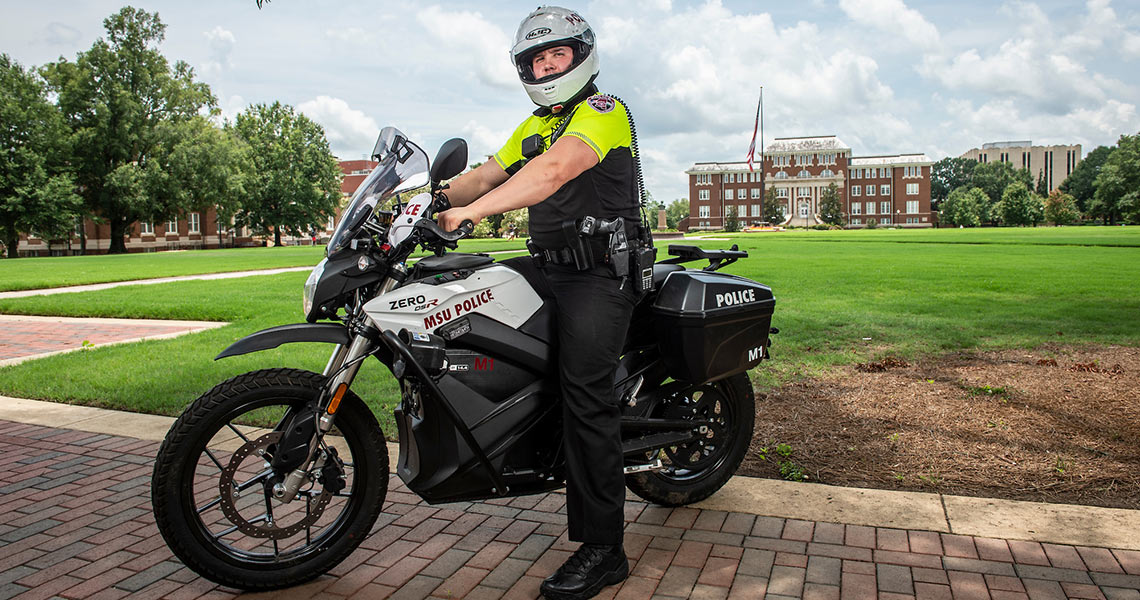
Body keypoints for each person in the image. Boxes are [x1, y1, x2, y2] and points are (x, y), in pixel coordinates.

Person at [437, 6, 641, 599]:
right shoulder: (533, 125)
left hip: (601, 274)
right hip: (548, 266)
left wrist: (473, 213)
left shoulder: (602, 113)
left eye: (557, 55)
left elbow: (552, 172)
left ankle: (604, 549)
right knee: (467, 306)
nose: (547, 65)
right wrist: (423, 198)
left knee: (586, 394)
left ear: (581, 56)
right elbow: (484, 175)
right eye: (536, 59)